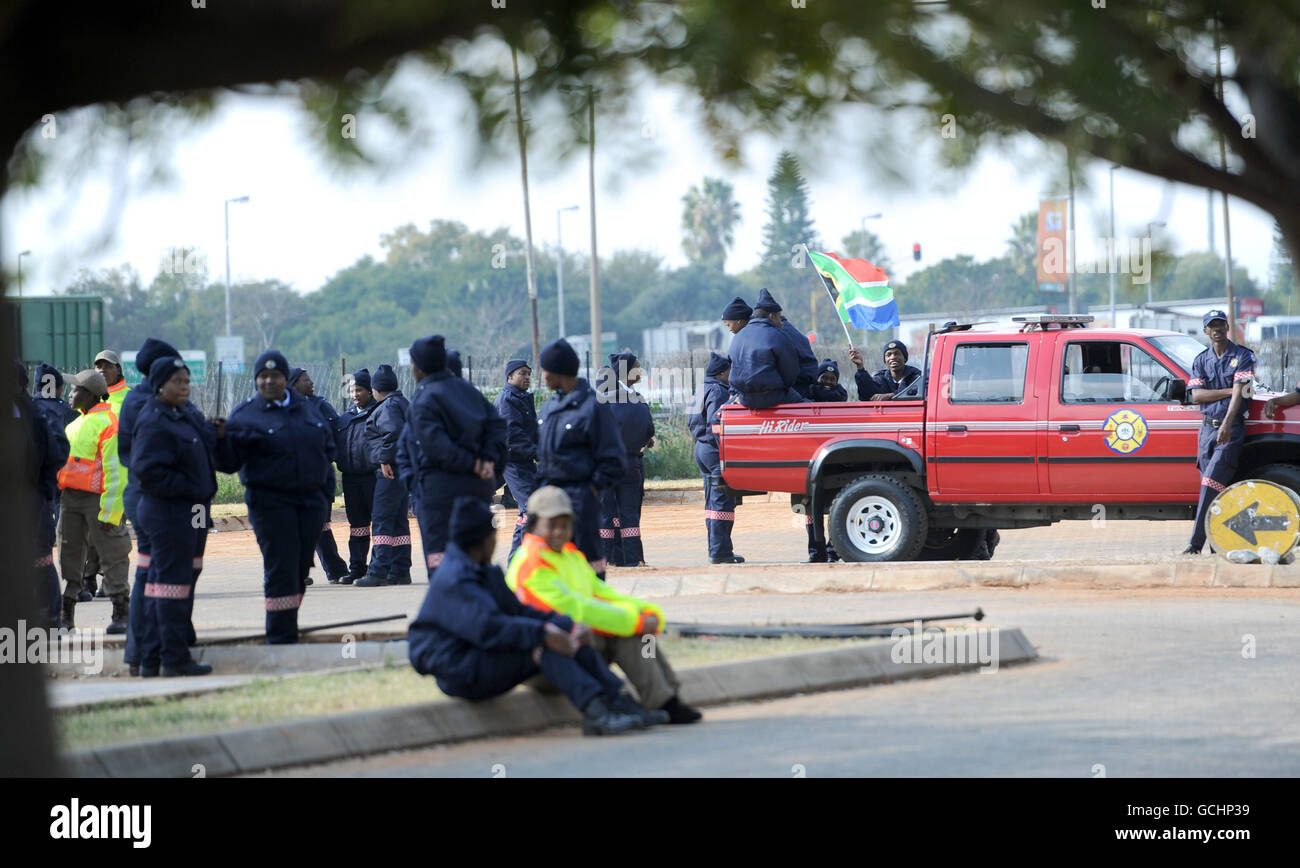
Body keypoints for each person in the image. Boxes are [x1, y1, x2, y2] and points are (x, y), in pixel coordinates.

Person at [408, 496, 653, 736]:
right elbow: (490, 628)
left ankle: (619, 701)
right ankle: (596, 712)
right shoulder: (455, 579)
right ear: (483, 540)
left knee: (568, 636)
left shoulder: (482, 572)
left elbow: (519, 611)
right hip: (458, 670)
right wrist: (543, 634)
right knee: (544, 648)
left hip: (479, 652)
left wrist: (567, 625)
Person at [508, 486, 700, 724]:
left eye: (564, 524)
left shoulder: (569, 556)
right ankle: (664, 703)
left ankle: (667, 699)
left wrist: (647, 612)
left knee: (639, 632)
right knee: (631, 629)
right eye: (552, 524)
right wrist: (635, 620)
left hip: (579, 643)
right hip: (551, 659)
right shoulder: (530, 563)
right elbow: (576, 609)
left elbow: (603, 595)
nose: (559, 531)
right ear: (535, 524)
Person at [214, 350, 336, 644]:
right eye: (263, 376)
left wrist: (323, 494)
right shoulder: (245, 414)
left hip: (310, 504)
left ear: (285, 379)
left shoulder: (307, 409)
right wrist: (219, 441)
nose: (269, 381)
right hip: (270, 504)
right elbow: (229, 463)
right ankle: (280, 637)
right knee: (280, 567)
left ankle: (288, 624)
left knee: (299, 568)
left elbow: (326, 448)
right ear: (257, 380)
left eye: (276, 376)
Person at [119, 338, 203, 674]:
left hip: (166, 500)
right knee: (156, 575)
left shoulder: (149, 400)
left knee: (171, 572)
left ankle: (167, 638)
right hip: (159, 500)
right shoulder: (152, 404)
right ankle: (146, 649)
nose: (182, 381)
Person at [131, 357, 217, 677]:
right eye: (177, 382)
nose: (184, 387)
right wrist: (189, 488)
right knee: (170, 585)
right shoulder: (154, 419)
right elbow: (148, 472)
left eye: (186, 381)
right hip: (169, 513)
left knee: (180, 578)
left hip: (193, 512)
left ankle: (154, 657)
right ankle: (173, 658)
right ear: (160, 385)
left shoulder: (179, 414)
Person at [404, 336, 507, 574]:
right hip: (478, 486)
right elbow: (498, 427)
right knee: (474, 555)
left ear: (419, 366)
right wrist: (489, 463)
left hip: (439, 491)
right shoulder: (470, 392)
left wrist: (471, 464)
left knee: (442, 564)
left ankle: (450, 609)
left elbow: (435, 444)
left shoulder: (424, 398)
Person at [535, 338, 626, 578]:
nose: (542, 376)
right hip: (549, 499)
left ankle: (594, 609)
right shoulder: (549, 408)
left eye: (545, 370)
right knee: (550, 565)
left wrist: (590, 491)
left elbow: (613, 460)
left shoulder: (592, 407)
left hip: (579, 501)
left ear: (559, 371)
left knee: (587, 563)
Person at [55, 370, 130, 632]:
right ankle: (67, 615)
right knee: (70, 555)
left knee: (113, 554)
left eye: (76, 390)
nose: (71, 394)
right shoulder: (73, 425)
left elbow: (117, 472)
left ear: (90, 394)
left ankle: (121, 613)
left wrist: (110, 513)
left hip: (98, 500)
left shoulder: (109, 422)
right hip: (71, 500)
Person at [1183, 310, 1256, 555]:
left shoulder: (1242, 355)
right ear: (1205, 330)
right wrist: (1230, 390)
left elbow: (1241, 394)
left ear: (1227, 326)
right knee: (1216, 489)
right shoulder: (1200, 360)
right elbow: (1197, 396)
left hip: (1230, 428)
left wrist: (1226, 424)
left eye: (1220, 324)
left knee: (1209, 482)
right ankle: (1217, 545)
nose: (1216, 329)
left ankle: (1195, 545)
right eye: (1211, 325)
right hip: (1206, 431)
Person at [14, 362, 66, 628]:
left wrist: (43, 491)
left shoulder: (33, 413)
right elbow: (57, 454)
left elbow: (55, 455)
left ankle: (45, 620)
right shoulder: (36, 412)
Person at [289, 367, 349, 584]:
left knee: (319, 525)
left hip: (320, 477)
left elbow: (338, 434)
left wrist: (328, 457)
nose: (311, 382)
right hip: (291, 479)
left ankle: (336, 570)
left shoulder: (321, 405)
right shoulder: (281, 408)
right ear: (293, 383)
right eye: (306, 379)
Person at [597, 353, 654, 567]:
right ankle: (631, 558)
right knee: (628, 514)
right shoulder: (635, 399)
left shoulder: (603, 398)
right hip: (630, 463)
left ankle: (607, 558)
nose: (640, 371)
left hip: (605, 464)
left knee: (607, 514)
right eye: (637, 367)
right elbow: (648, 430)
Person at [80, 349, 130, 598]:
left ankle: (110, 582)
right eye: (97, 366)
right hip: (91, 477)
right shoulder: (90, 400)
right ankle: (87, 580)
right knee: (89, 532)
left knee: (112, 529)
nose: (102, 370)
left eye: (107, 366)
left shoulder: (129, 399)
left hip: (118, 476)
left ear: (117, 370)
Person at [356, 364, 412, 586]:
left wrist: (384, 460)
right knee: (398, 521)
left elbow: (393, 433)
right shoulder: (402, 403)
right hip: (403, 470)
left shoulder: (388, 406)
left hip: (390, 471)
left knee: (381, 520)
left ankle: (378, 571)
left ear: (376, 389)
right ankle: (400, 570)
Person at [689, 352, 744, 565]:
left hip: (701, 449)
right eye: (730, 371)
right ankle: (721, 552)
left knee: (712, 502)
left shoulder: (700, 389)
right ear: (722, 373)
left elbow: (692, 422)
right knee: (722, 502)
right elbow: (716, 422)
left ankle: (717, 549)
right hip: (714, 450)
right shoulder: (719, 391)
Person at [726, 288, 807, 409]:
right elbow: (791, 374)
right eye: (779, 318)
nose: (781, 323)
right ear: (771, 316)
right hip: (773, 396)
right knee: (807, 406)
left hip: (744, 398)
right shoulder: (778, 336)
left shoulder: (737, 337)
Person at [336, 368, 379, 583]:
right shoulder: (345, 418)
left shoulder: (378, 413)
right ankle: (357, 568)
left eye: (359, 390)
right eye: (352, 390)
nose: (355, 395)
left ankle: (379, 567)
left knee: (379, 524)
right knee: (358, 526)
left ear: (370, 391)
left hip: (373, 478)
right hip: (351, 480)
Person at [494, 359, 538, 560]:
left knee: (528, 510)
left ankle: (518, 563)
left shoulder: (521, 397)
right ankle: (519, 564)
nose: (527, 377)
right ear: (509, 376)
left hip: (523, 460)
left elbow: (531, 431)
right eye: (522, 373)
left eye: (529, 373)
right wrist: (537, 452)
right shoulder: (507, 400)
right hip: (512, 461)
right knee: (531, 508)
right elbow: (513, 435)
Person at [804, 359, 846, 562]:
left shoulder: (840, 394)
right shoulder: (807, 393)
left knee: (836, 509)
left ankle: (832, 551)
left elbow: (833, 395)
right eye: (824, 378)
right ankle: (816, 552)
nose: (828, 382)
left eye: (833, 378)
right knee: (811, 510)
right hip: (811, 461)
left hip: (833, 465)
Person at [850, 340, 922, 401]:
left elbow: (915, 392)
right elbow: (867, 393)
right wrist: (860, 367)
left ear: (905, 358)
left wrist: (891, 396)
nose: (893, 357)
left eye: (897, 353)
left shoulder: (916, 377)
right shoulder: (880, 378)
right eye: (889, 355)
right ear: (885, 360)